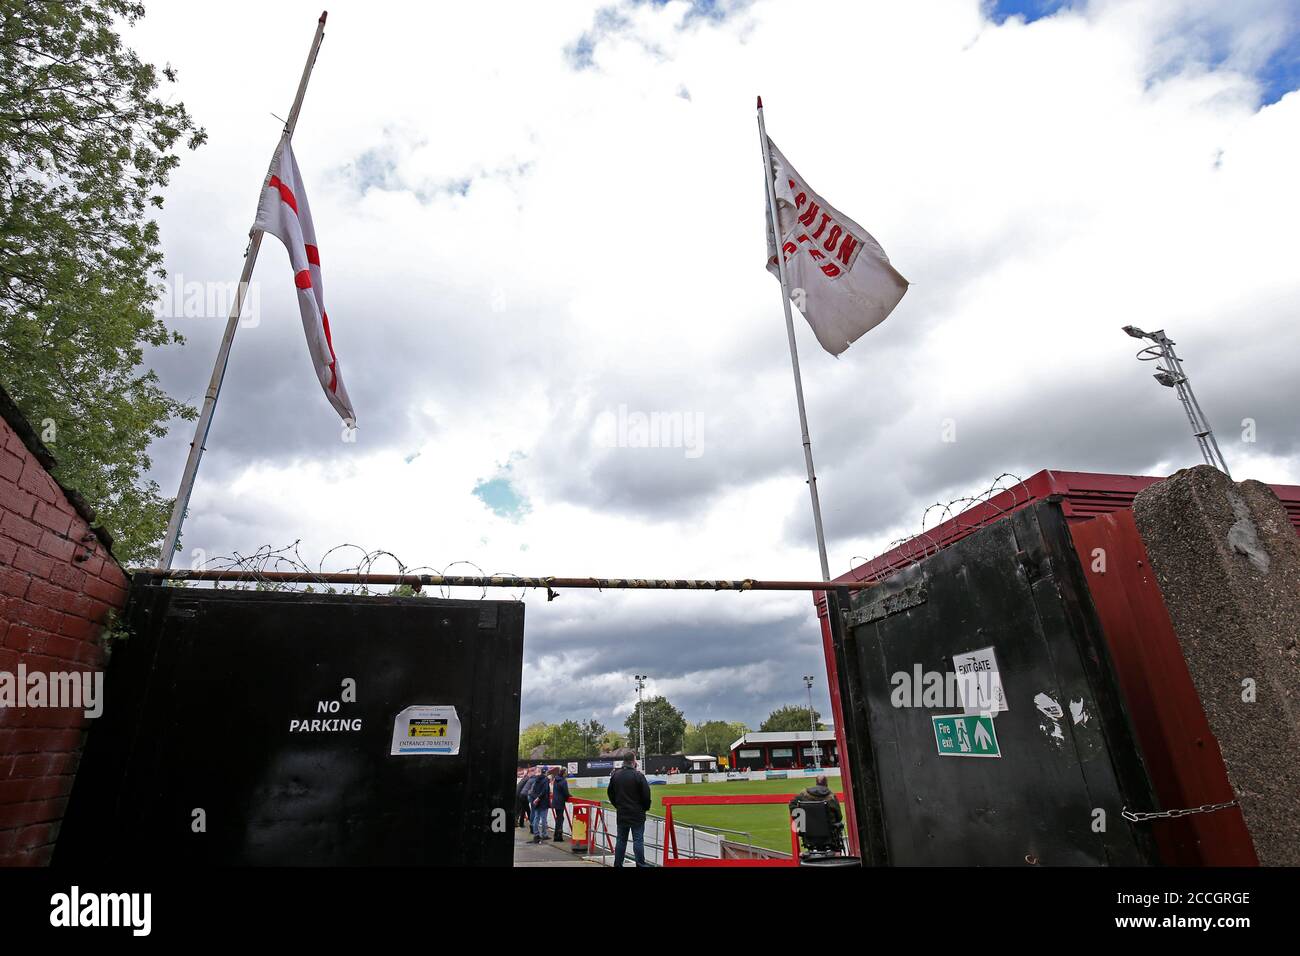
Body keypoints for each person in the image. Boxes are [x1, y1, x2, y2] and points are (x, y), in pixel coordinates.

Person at [606, 756, 651, 867]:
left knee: (621, 840)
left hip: (622, 812)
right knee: (638, 840)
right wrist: (645, 808)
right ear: (633, 761)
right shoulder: (638, 776)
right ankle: (640, 864)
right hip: (637, 813)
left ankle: (618, 864)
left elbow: (610, 793)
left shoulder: (616, 776)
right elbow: (646, 795)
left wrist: (617, 805)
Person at [528, 766, 551, 843]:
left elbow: (533, 790)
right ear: (546, 772)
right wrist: (538, 798)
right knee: (543, 819)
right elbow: (544, 791)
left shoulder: (536, 779)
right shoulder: (546, 780)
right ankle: (544, 834)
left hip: (537, 802)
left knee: (536, 818)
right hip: (543, 802)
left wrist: (536, 799)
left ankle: (536, 834)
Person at [550, 767, 570, 843]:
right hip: (560, 802)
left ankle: (556, 835)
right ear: (564, 773)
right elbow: (565, 793)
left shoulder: (556, 779)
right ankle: (558, 836)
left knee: (559, 818)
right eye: (566, 772)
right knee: (560, 819)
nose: (567, 773)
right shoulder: (563, 781)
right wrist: (568, 797)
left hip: (555, 801)